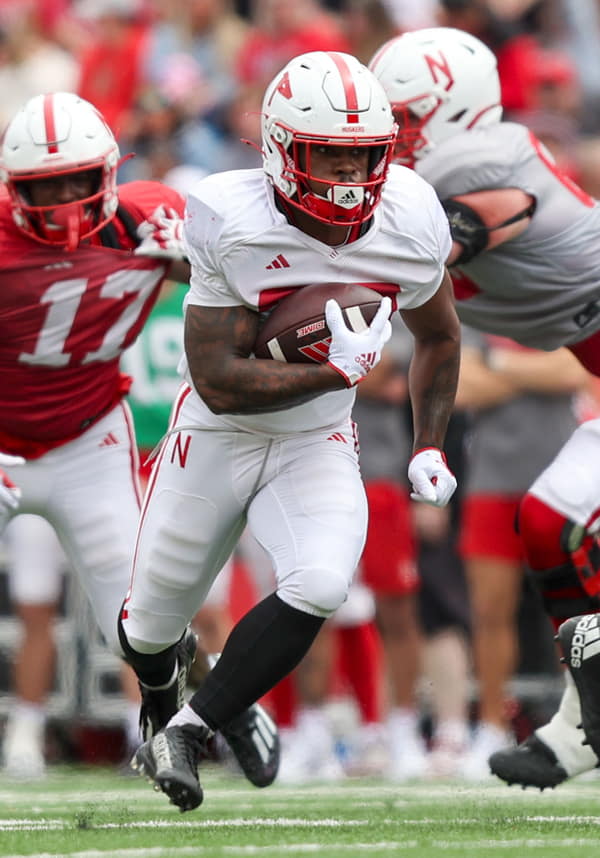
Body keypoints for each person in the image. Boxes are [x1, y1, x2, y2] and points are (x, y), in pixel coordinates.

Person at [120, 49, 461, 812]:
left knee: (324, 582)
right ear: (279, 149)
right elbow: (218, 378)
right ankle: (225, 699)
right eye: (329, 153)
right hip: (217, 434)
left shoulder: (409, 215)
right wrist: (333, 372)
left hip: (316, 439)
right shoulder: (230, 217)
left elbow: (441, 335)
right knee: (145, 630)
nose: (349, 174)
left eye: (363, 155)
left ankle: (188, 732)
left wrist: (429, 441)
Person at [0, 91, 277, 786]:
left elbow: (248, 287)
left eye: (75, 183)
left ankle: (225, 701)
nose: (63, 204)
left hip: (87, 439)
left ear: (107, 175)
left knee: (144, 621)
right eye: (43, 188)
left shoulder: (147, 217)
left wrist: (204, 260)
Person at [368, 25, 600, 788]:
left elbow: (498, 209)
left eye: (401, 119)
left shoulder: (477, 159)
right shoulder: (431, 178)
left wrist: (430, 249)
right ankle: (583, 723)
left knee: (556, 519)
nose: (387, 138)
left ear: (450, 111)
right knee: (546, 521)